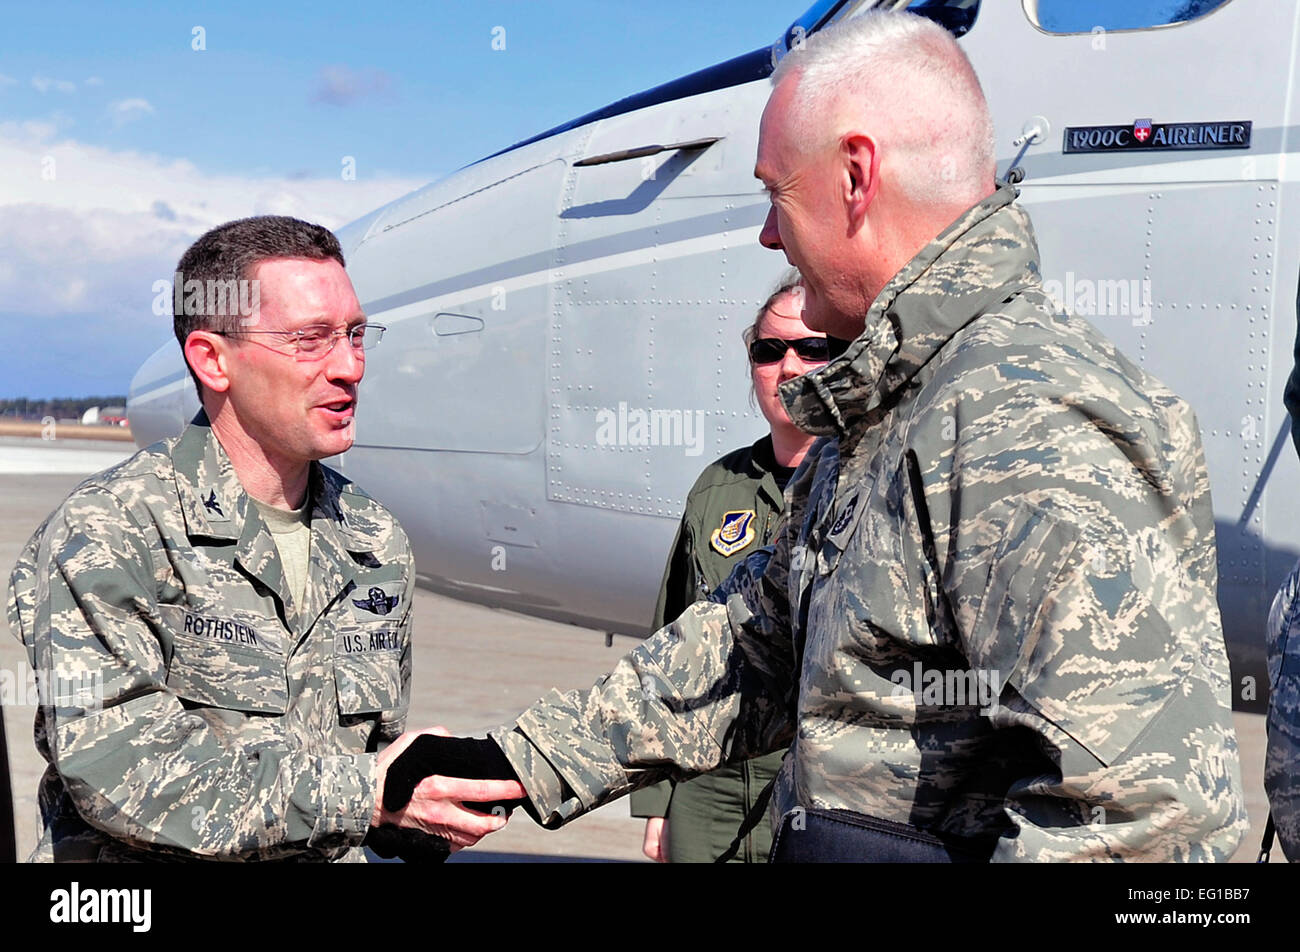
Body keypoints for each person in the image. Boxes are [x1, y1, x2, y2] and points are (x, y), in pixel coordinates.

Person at [386, 11, 1246, 861]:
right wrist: (517, 762)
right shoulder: (886, 412)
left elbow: (1139, 824)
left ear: (854, 176)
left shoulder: (1025, 421)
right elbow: (757, 640)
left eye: (775, 193)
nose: (768, 233)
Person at [5, 216, 522, 862]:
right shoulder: (110, 532)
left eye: (356, 335)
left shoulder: (373, 541)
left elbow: (370, 773)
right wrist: (369, 795)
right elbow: (125, 774)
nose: (349, 367)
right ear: (212, 360)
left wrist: (422, 802)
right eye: (311, 340)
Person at [632, 274, 828, 863]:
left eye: (812, 348)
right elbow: (667, 647)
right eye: (769, 351)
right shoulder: (717, 488)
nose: (788, 367)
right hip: (707, 783)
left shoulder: (867, 479)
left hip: (816, 789)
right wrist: (657, 798)